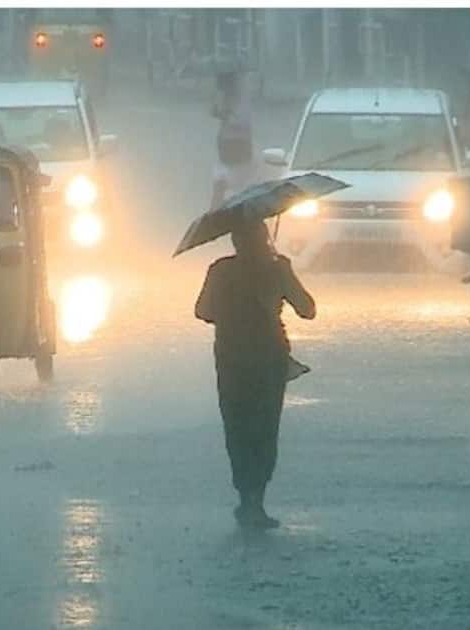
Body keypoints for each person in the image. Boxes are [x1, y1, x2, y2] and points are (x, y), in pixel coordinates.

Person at [194, 220, 316, 529]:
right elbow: (308, 309)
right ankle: (256, 500)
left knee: (237, 427)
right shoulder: (277, 269)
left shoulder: (220, 270)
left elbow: (203, 311)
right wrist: (282, 274)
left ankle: (245, 498)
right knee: (264, 428)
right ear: (265, 239)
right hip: (268, 358)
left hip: (231, 358)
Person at [210, 67, 256, 211]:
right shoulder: (235, 98)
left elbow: (217, 112)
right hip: (234, 147)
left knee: (224, 186)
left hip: (235, 147)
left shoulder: (239, 100)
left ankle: (214, 218)